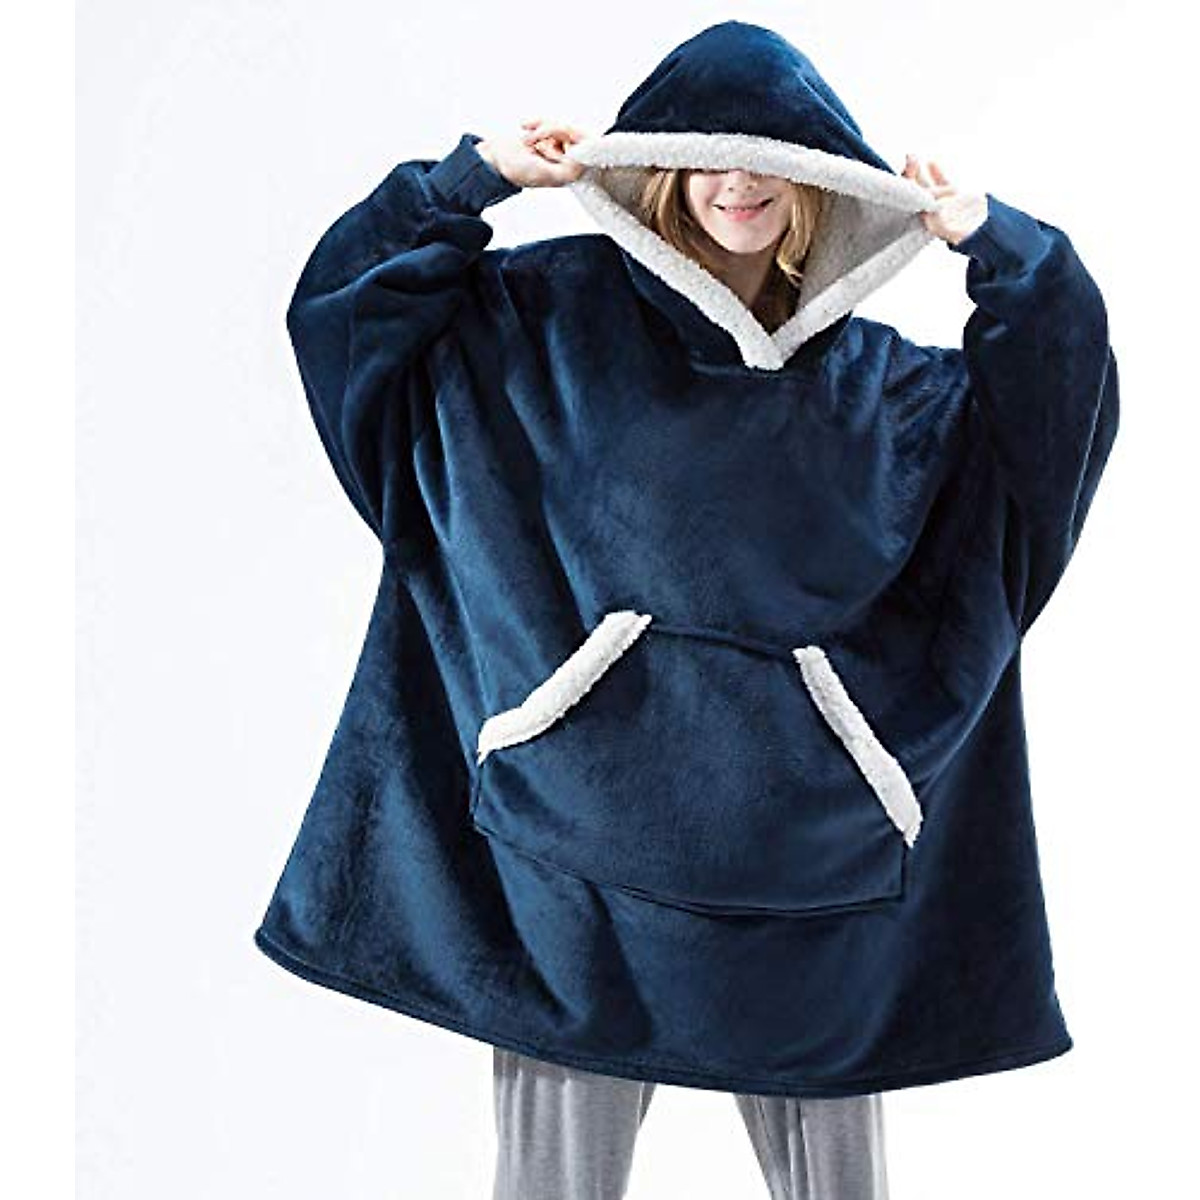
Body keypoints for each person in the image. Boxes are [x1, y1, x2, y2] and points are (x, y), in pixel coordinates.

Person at [254, 21, 1119, 1200]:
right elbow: (347, 317)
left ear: (819, 185)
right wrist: (471, 182)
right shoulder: (539, 327)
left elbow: (1051, 433)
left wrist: (1009, 252)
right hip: (573, 861)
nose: (736, 182)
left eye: (769, 160)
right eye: (707, 155)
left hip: (812, 870)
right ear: (659, 169)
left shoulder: (892, 398)